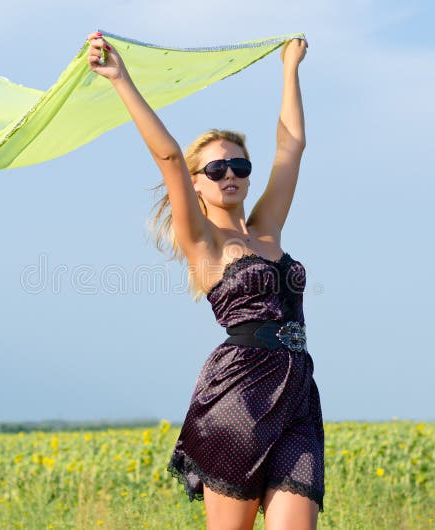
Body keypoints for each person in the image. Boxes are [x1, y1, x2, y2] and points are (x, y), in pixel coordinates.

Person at [86, 31, 323, 530]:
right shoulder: (203, 243)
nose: (228, 174)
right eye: (215, 168)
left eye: (238, 165)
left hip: (298, 387)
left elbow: (292, 146)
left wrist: (289, 68)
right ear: (197, 182)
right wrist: (120, 79)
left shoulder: (267, 230)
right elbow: (170, 157)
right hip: (240, 389)